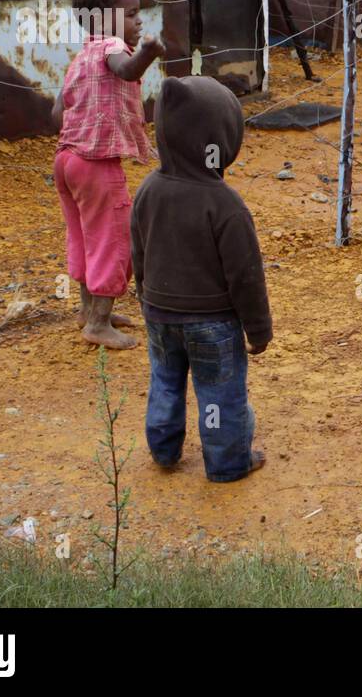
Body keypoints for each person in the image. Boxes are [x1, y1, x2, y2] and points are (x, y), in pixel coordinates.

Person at [131, 76, 271, 482]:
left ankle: (163, 449)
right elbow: (245, 276)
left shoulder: (148, 190)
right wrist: (258, 329)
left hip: (159, 314)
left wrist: (145, 296)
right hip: (213, 323)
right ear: (222, 141)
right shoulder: (224, 204)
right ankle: (227, 463)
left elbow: (138, 249)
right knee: (218, 395)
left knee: (165, 382)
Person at [53, 0, 163, 349]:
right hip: (97, 165)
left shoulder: (80, 58)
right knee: (114, 240)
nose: (139, 21)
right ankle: (98, 325)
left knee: (85, 237)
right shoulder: (112, 48)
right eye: (131, 13)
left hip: (67, 160)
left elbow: (57, 111)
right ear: (103, 19)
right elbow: (127, 70)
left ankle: (90, 310)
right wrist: (148, 52)